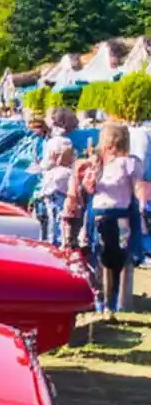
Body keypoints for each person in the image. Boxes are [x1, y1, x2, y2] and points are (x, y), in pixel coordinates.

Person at [80, 123, 142, 318]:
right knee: (102, 257)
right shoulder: (99, 163)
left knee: (119, 258)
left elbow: (137, 187)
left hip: (120, 214)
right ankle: (105, 304)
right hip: (100, 214)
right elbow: (90, 189)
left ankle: (115, 303)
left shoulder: (129, 163)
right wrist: (91, 173)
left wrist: (141, 208)